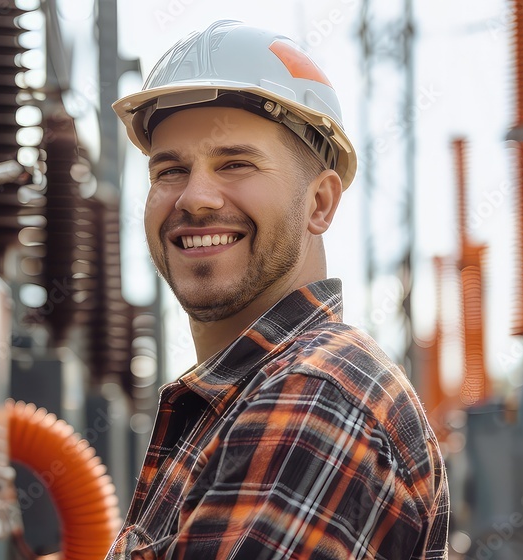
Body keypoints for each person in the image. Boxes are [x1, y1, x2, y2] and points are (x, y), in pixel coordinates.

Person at [106, 20, 449, 559]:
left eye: (235, 163)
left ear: (320, 203)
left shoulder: (314, 394)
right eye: (169, 171)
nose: (195, 198)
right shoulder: (243, 397)